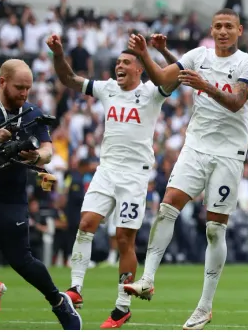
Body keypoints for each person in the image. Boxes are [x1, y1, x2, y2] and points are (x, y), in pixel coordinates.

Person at [123, 9, 248, 330]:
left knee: (214, 229)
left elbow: (236, 103)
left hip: (229, 153)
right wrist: (146, 53)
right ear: (211, 31)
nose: (223, 31)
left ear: (239, 30)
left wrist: (205, 85)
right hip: (196, 147)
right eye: (218, 27)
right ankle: (147, 279)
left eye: (229, 26)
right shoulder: (198, 55)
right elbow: (163, 80)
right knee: (168, 205)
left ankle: (204, 306)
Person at [47, 33, 179, 328]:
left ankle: (122, 307)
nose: (119, 66)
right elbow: (69, 79)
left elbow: (177, 76)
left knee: (124, 239)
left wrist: (152, 52)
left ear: (139, 68)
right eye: (117, 62)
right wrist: (58, 53)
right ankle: (76, 289)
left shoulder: (151, 92)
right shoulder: (106, 88)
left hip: (134, 176)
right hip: (106, 170)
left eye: (125, 62)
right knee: (86, 224)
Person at [0, 59, 82, 330]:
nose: (24, 94)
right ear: (2, 82)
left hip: (10, 199)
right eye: (19, 88)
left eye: (28, 88)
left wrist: (37, 155)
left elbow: (49, 150)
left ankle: (60, 303)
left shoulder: (33, 112)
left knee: (23, 261)